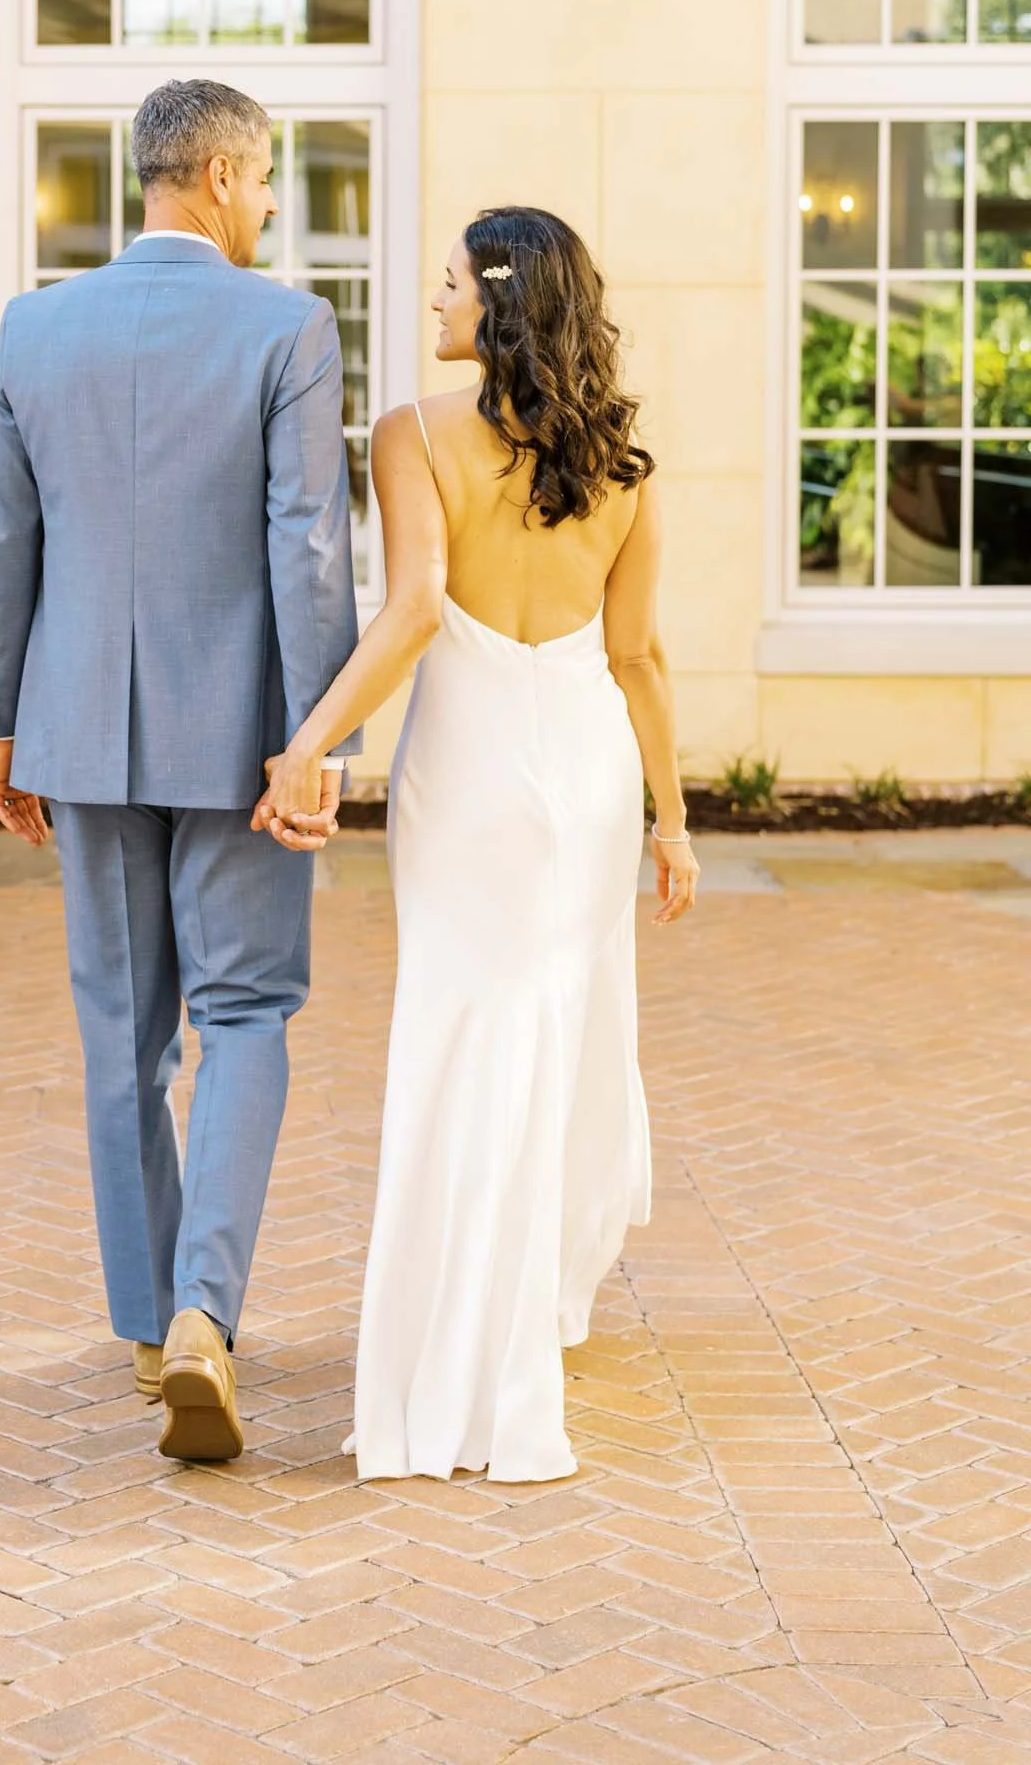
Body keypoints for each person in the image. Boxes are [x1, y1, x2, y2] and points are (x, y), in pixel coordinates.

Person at [257, 205, 700, 1483]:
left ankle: (459, 1342)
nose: (434, 303)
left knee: (460, 1031)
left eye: (450, 285)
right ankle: (529, 1318)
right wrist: (671, 821)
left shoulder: (413, 435)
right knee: (552, 1027)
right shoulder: (625, 468)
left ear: (499, 305)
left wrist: (309, 747)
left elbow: (405, 618)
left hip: (470, 778)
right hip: (589, 775)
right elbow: (636, 660)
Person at [0, 79, 360, 1464]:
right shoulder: (289, 328)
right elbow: (309, 545)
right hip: (244, 739)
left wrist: (0, 719)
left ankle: (147, 1330)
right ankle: (208, 1312)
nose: (266, 208)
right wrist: (320, 743)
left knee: (121, 1037)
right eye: (261, 185)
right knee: (244, 1017)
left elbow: (1, 544)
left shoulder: (35, 328)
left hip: (79, 733)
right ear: (215, 176)